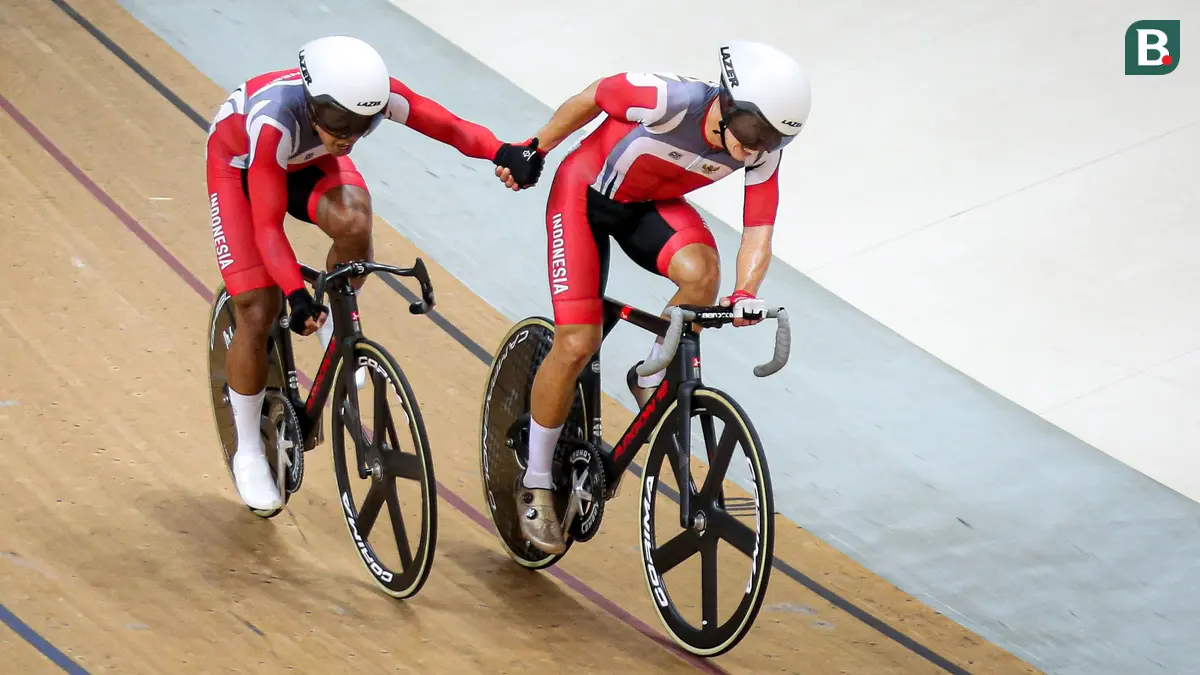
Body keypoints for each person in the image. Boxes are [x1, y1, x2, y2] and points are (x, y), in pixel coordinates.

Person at [207, 35, 543, 512]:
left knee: (355, 222)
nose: (347, 134)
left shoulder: (367, 100)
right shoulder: (273, 122)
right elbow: (267, 225)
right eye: (338, 121)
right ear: (313, 102)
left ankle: (334, 322)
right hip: (242, 167)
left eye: (361, 124)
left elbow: (447, 125)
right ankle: (247, 451)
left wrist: (501, 151)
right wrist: (294, 294)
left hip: (307, 159)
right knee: (258, 308)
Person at [502, 39, 812, 554]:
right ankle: (534, 481)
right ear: (728, 104)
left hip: (647, 203)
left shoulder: (762, 151)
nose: (757, 147)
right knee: (577, 343)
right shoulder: (671, 100)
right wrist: (534, 147)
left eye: (774, 138)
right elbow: (594, 95)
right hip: (583, 195)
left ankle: (650, 372)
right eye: (753, 130)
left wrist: (745, 293)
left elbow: (759, 230)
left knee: (703, 274)